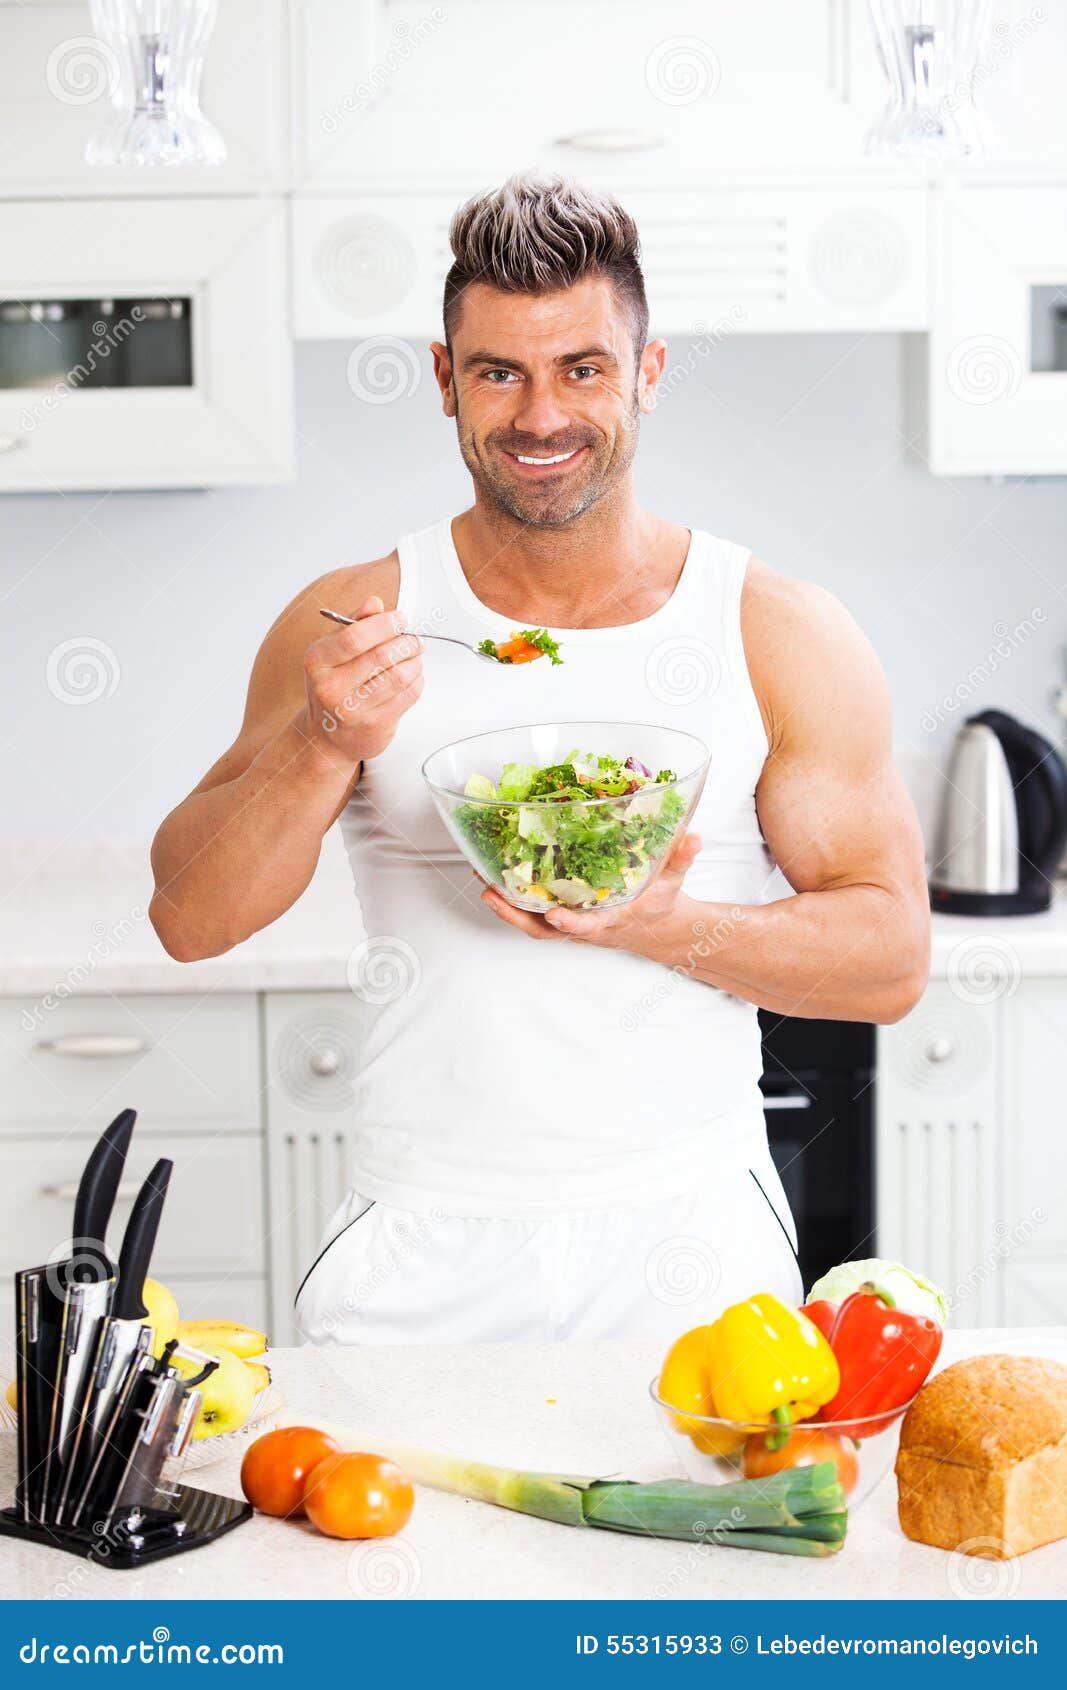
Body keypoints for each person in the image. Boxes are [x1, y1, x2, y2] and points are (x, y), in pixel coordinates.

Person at [149, 176, 929, 1345]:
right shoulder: (355, 618)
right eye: (497, 372)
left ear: (646, 373)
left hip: (692, 1238)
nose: (540, 415)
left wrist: (658, 924)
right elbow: (188, 916)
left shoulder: (773, 628)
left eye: (582, 368)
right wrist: (322, 744)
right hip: (419, 1237)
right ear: (443, 379)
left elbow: (889, 961)